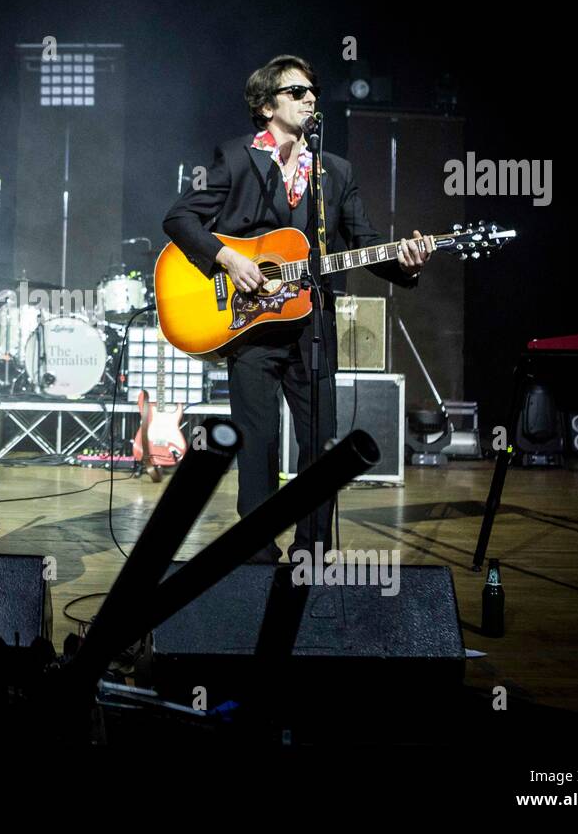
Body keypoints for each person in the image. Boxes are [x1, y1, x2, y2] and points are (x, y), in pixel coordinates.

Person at [163, 54, 433, 563]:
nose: (311, 99)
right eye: (297, 92)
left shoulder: (335, 171)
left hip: (312, 327)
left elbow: (368, 243)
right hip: (249, 328)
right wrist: (228, 257)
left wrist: (408, 264)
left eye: (313, 91)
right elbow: (179, 219)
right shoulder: (236, 157)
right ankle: (258, 555)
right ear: (266, 105)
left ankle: (312, 552)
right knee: (259, 447)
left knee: (320, 448)